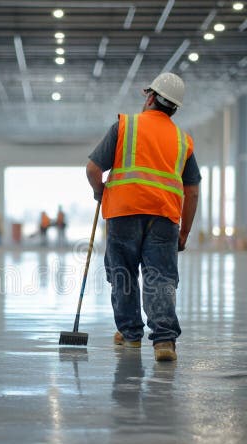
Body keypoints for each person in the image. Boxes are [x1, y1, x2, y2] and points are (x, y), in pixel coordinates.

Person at [86, 72, 201, 362]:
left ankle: (130, 334)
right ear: (174, 107)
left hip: (123, 213)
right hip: (164, 217)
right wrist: (184, 233)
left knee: (123, 273)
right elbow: (193, 191)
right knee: (160, 277)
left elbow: (92, 169)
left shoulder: (125, 126)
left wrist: (100, 191)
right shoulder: (182, 140)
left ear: (150, 97)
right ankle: (164, 341)